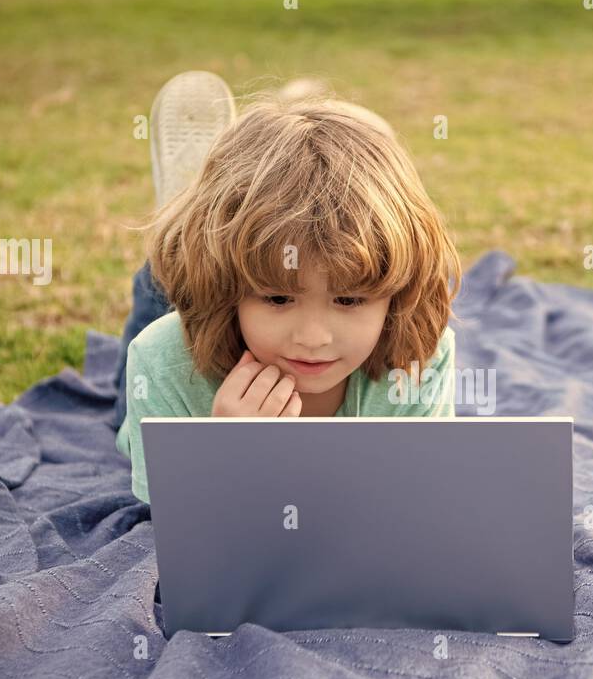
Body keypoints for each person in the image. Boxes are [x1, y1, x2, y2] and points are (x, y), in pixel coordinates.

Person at [112, 72, 463, 503]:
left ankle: (198, 215)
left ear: (396, 297)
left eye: (349, 298)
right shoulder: (162, 361)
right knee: (168, 288)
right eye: (278, 298)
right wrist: (221, 453)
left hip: (238, 267)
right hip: (205, 312)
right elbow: (178, 520)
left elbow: (416, 501)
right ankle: (187, 225)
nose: (313, 338)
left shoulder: (419, 361)